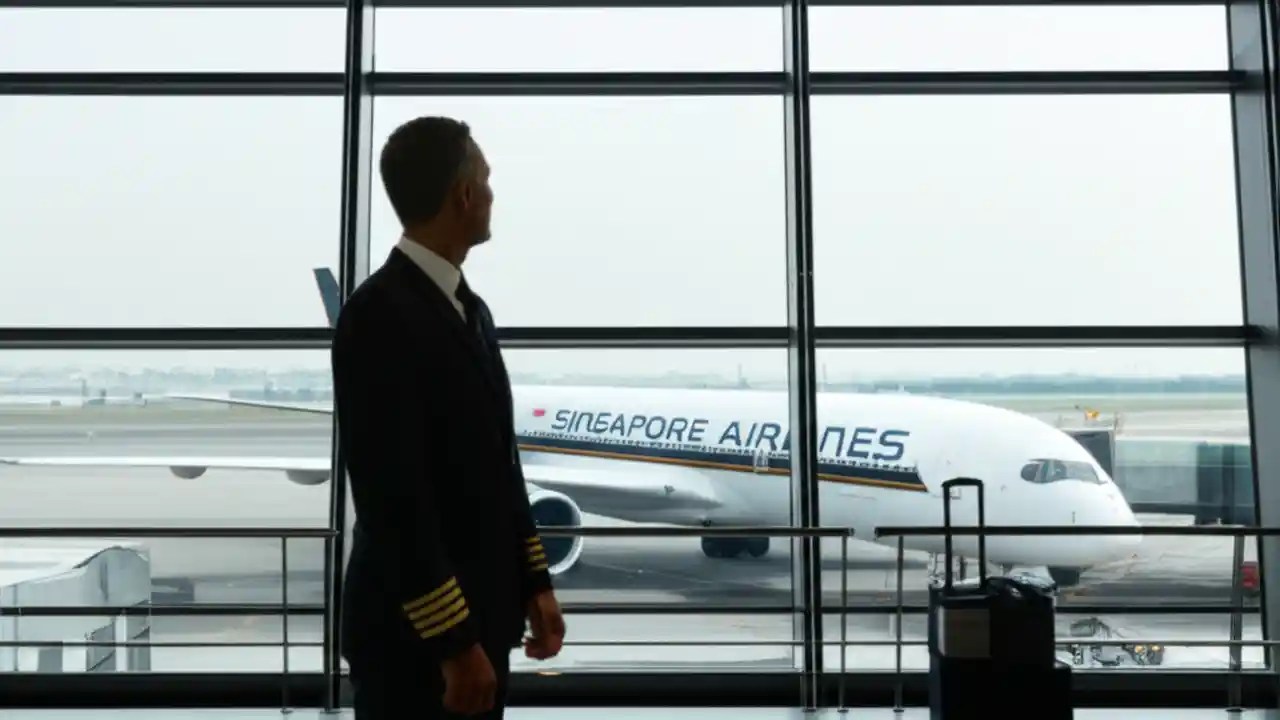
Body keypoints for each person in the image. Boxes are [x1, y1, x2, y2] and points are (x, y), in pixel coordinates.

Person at [331, 115, 566, 719]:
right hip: (415, 644)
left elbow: (499, 461)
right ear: (464, 195)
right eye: (486, 181)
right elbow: (393, 504)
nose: (492, 195)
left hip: (482, 624)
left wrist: (535, 582)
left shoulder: (469, 310)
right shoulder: (377, 315)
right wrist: (455, 645)